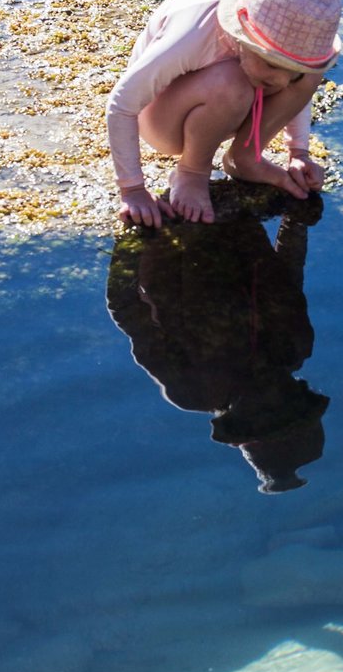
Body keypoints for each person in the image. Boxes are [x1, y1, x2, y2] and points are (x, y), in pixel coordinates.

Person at [105, 192, 329, 493]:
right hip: (230, 209)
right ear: (299, 395)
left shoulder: (193, 388)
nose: (272, 394)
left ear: (242, 422)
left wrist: (133, 237)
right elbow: (289, 270)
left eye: (266, 410)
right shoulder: (294, 346)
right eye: (284, 402)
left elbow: (125, 306)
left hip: (169, 224)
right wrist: (296, 216)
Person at [108, 0, 342, 228]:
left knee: (310, 75)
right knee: (232, 83)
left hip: (230, 107)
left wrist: (299, 153)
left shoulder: (291, 21)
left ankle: (246, 157)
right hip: (164, 120)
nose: (281, 81)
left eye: (293, 69)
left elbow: (296, 82)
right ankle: (192, 171)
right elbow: (122, 103)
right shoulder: (193, 31)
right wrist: (132, 189)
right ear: (241, 33)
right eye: (270, 62)